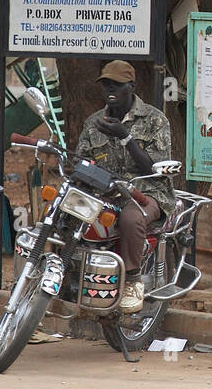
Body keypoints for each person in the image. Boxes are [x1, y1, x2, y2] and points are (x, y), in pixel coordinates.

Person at [74, 61, 174, 313]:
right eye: (106, 84)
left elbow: (153, 169)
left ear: (131, 86)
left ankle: (132, 279)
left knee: (131, 218)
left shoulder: (154, 120)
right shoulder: (94, 122)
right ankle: (64, 271)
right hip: (104, 194)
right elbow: (81, 162)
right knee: (66, 209)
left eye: (117, 85)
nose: (111, 89)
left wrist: (125, 137)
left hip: (147, 194)